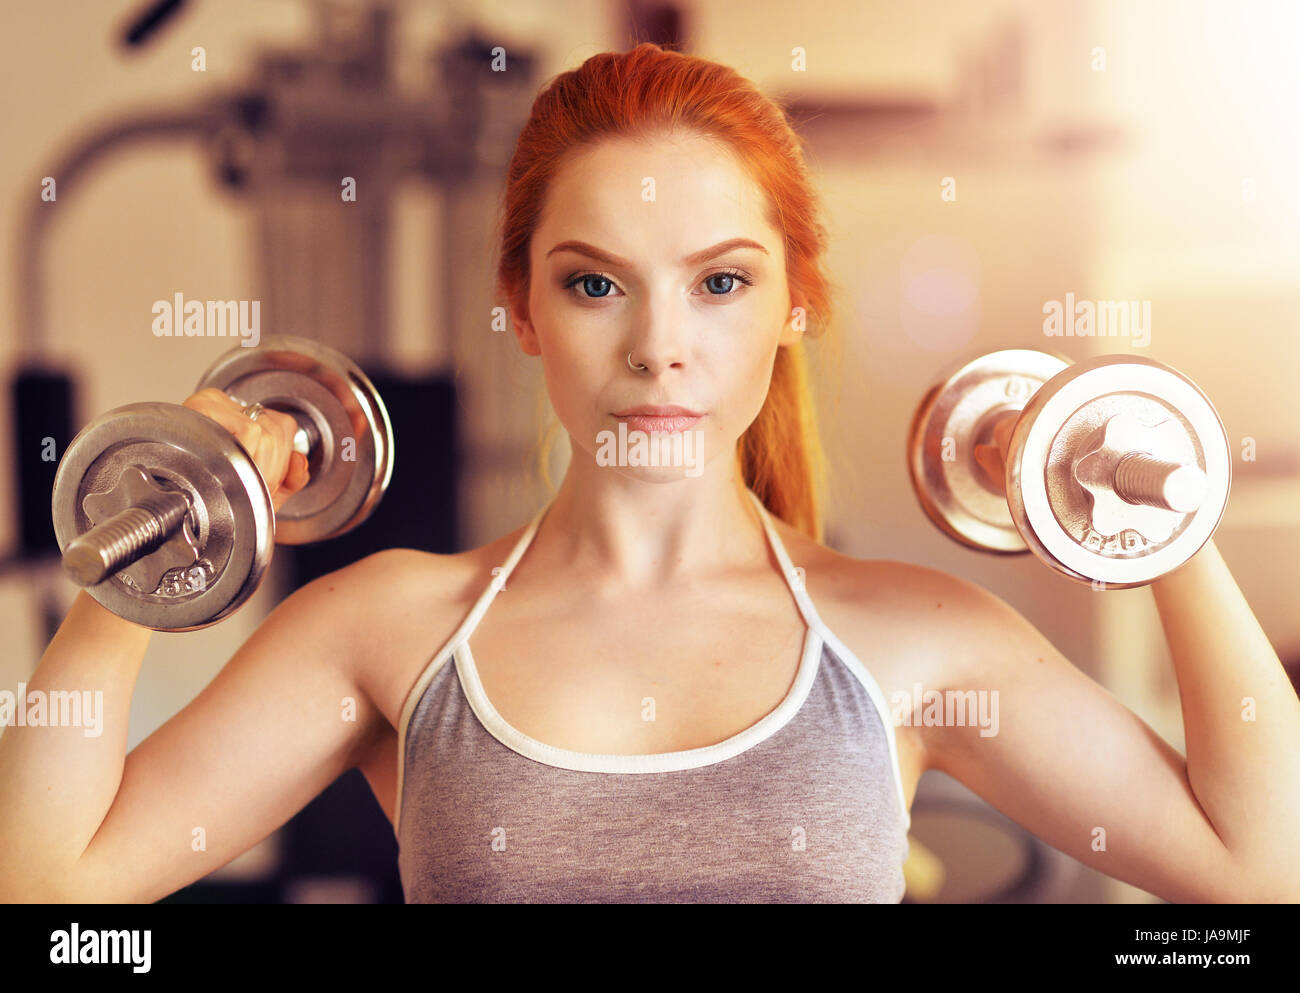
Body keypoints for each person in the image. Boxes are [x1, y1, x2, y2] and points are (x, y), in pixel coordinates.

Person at [2, 43, 1297, 904]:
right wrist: (160, 523)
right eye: (594, 283)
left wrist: (1158, 514)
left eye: (722, 282)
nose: (661, 344)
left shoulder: (912, 636)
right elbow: (46, 880)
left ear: (796, 303)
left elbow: (1261, 865)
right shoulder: (391, 628)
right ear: (520, 305)